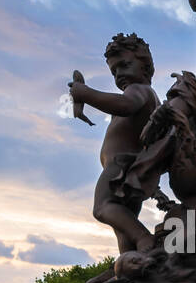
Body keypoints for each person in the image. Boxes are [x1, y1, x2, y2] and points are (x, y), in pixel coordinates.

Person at [68, 33, 160, 254]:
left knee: (102, 208)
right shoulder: (143, 94)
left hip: (122, 166)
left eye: (124, 65)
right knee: (123, 224)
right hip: (129, 169)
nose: (119, 74)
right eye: (114, 71)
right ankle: (130, 260)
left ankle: (145, 239)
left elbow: (125, 105)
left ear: (145, 66)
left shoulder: (139, 91)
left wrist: (86, 94)